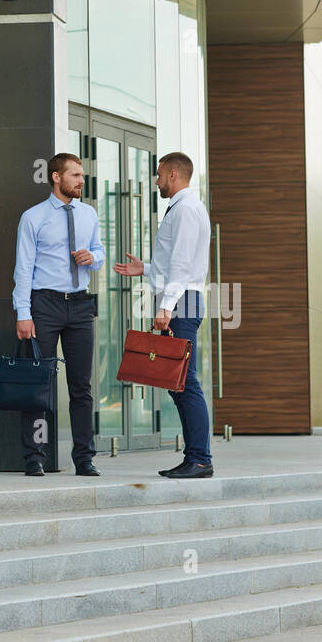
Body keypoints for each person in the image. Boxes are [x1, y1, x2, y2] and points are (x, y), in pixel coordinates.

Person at [114, 151, 213, 479]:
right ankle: (195, 457)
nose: (156, 181)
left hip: (182, 303)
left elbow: (183, 265)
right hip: (183, 299)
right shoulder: (185, 208)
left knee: (185, 383)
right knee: (178, 382)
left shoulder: (184, 210)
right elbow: (176, 263)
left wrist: (164, 306)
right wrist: (147, 269)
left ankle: (200, 459)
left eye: (159, 175)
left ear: (173, 175)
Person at [13, 152, 105, 476]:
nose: (81, 180)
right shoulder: (33, 217)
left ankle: (84, 458)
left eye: (82, 175)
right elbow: (23, 269)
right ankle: (34, 457)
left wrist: (90, 257)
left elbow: (100, 253)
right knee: (38, 384)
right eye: (75, 175)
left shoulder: (89, 214)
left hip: (80, 304)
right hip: (44, 305)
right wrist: (23, 313)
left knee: (81, 386)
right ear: (56, 177)